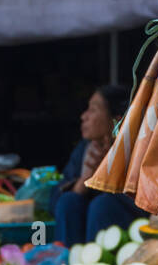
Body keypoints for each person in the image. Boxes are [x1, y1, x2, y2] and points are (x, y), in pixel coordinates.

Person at [51, 85, 141, 245]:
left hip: (128, 230)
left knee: (103, 205)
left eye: (93, 110)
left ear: (117, 120)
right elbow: (53, 202)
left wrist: (111, 172)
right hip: (85, 228)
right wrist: (83, 182)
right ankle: (68, 262)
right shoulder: (85, 149)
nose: (83, 116)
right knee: (68, 201)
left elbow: (153, 203)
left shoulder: (139, 148)